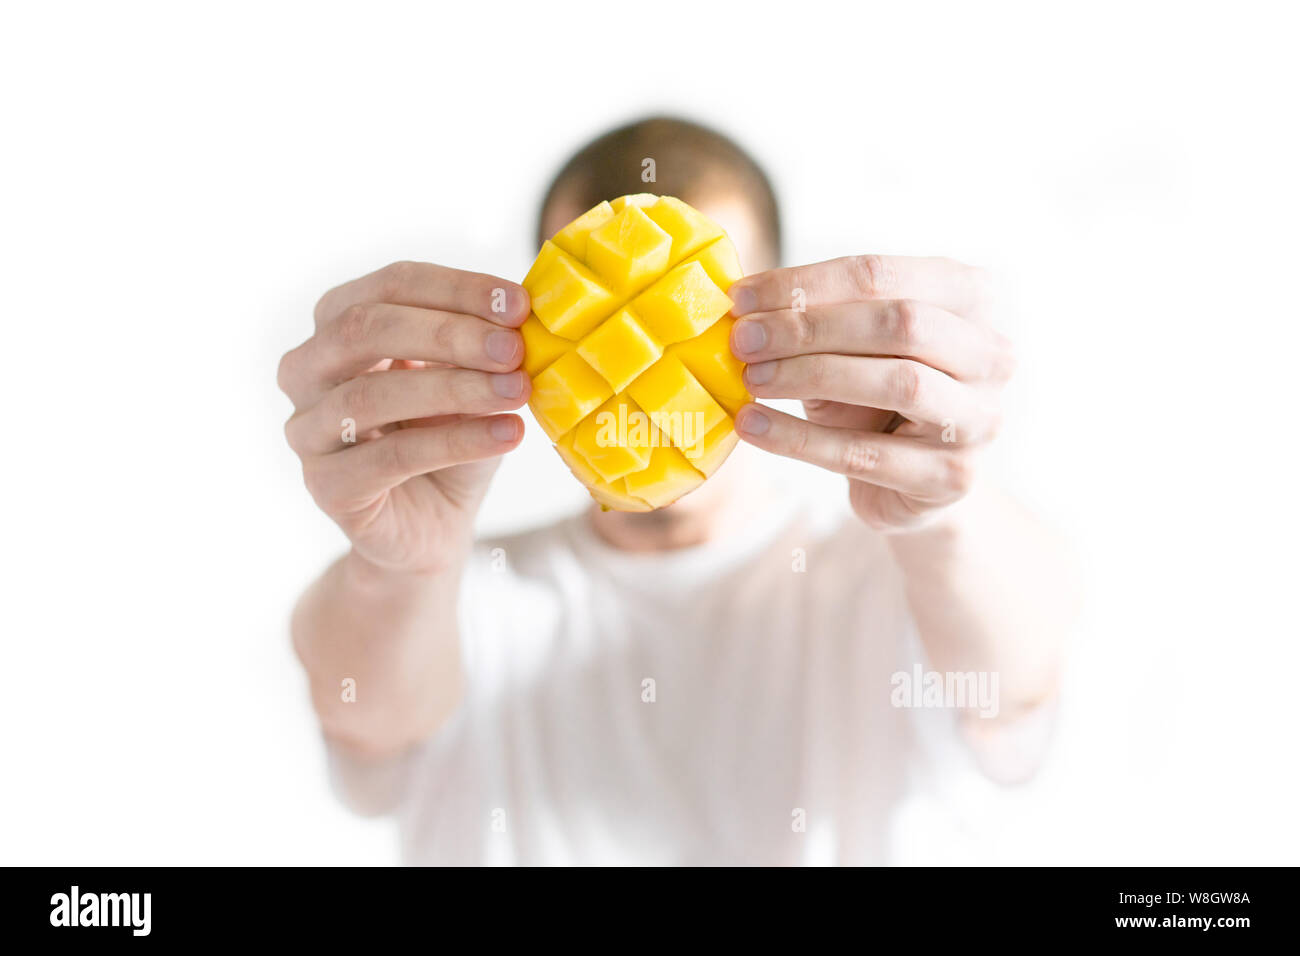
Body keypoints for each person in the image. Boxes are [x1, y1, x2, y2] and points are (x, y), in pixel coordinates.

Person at [277, 116, 1074, 865]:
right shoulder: (468, 591)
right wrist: (404, 568)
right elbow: (365, 718)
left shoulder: (887, 573)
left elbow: (1022, 670)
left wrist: (945, 512)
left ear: (785, 320)